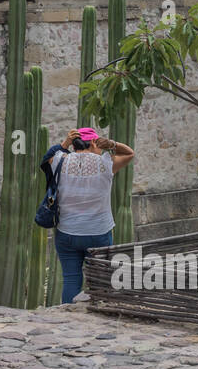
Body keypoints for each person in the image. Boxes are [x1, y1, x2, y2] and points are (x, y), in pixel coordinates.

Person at [40, 126, 135, 304]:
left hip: (67, 233)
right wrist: (112, 144)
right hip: (98, 233)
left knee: (70, 279)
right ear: (93, 142)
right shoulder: (106, 162)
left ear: (74, 144)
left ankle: (68, 316)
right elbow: (129, 153)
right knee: (99, 280)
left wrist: (64, 143)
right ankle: (97, 315)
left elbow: (46, 158)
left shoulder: (60, 161)